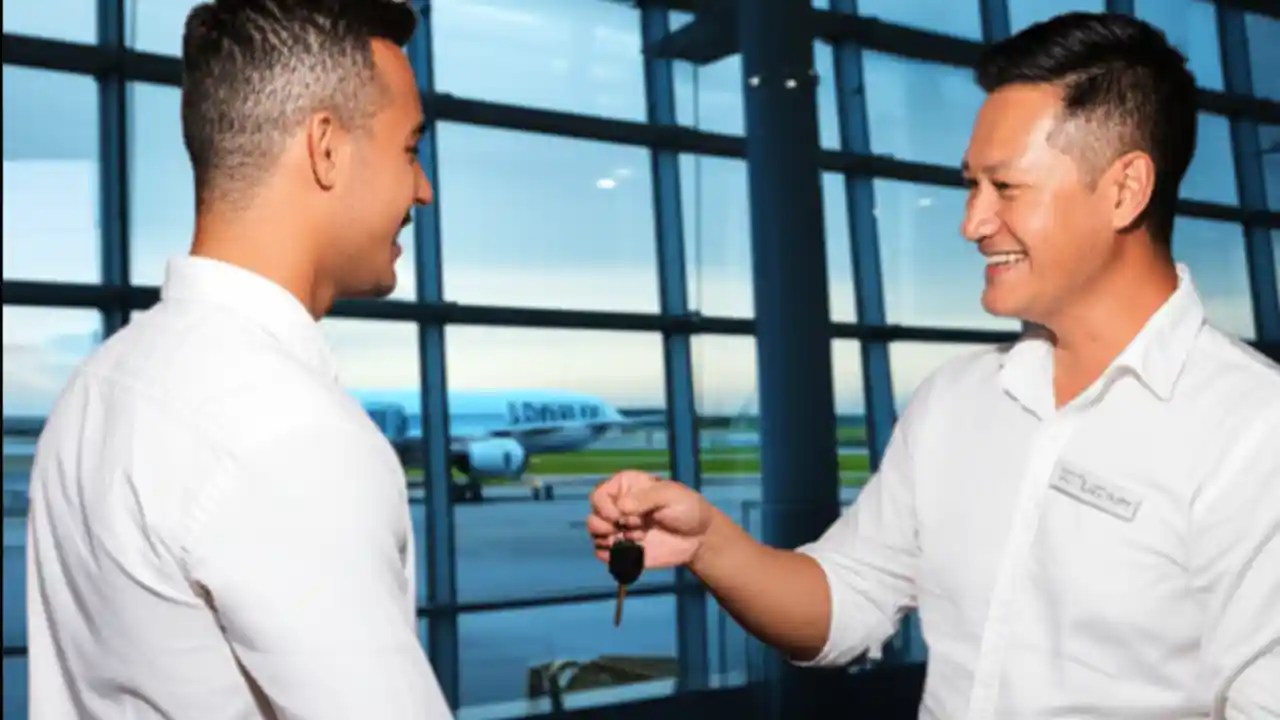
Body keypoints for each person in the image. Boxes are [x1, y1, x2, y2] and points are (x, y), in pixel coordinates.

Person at [589, 12, 1279, 720]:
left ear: (1125, 189)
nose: (972, 222)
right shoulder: (956, 400)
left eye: (1005, 188)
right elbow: (848, 600)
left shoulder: (1254, 433)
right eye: (970, 185)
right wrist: (710, 543)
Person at [25, 1, 451, 717]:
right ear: (325, 147)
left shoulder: (99, 385)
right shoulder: (286, 432)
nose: (423, 188)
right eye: (409, 149)